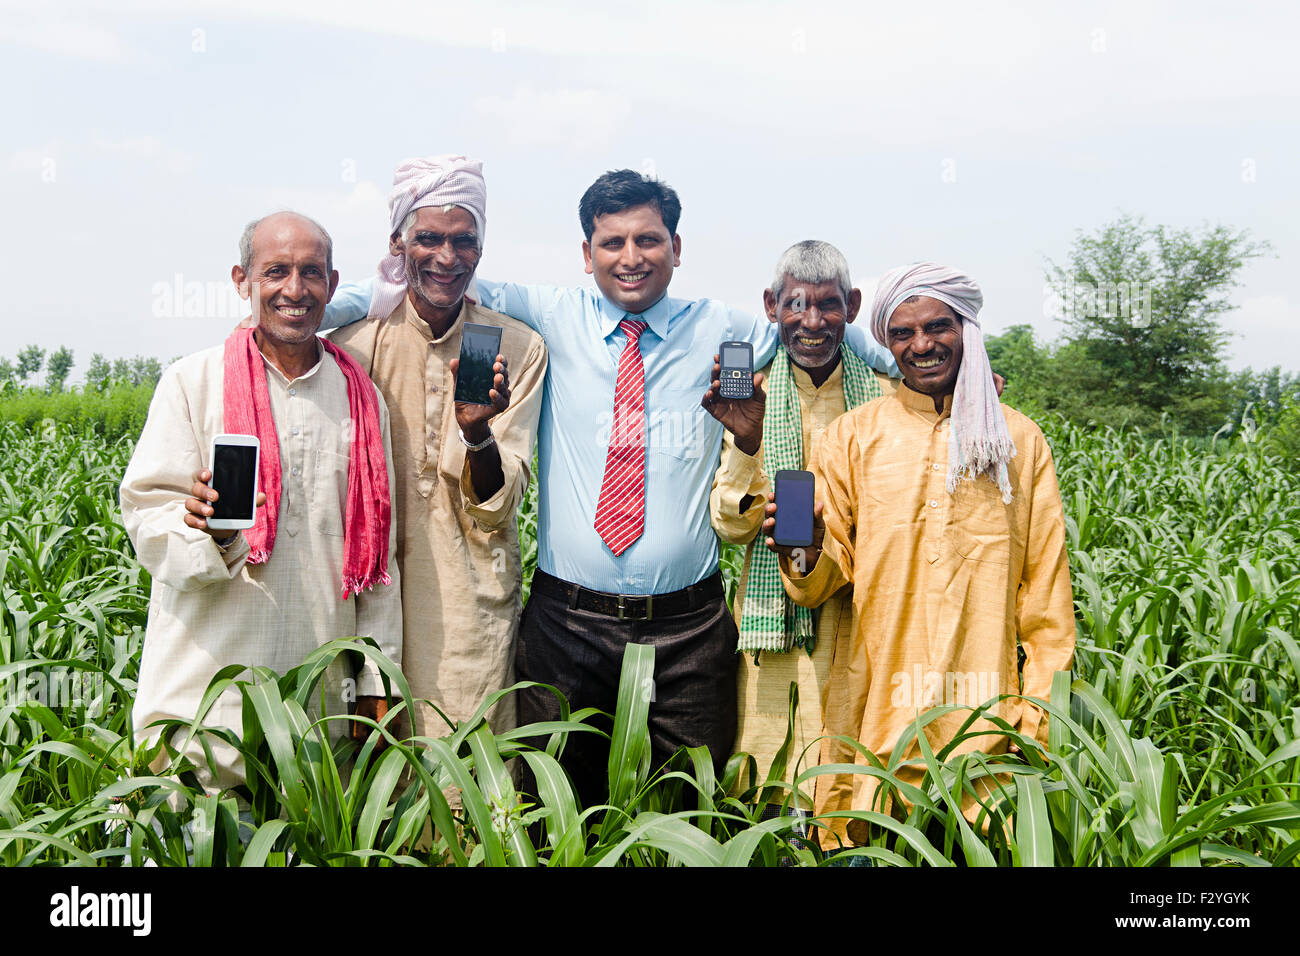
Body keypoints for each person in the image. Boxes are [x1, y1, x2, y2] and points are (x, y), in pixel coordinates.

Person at [321, 169, 897, 808]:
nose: (631, 258)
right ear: (586, 255)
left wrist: (926, 370)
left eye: (648, 240)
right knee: (557, 815)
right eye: (612, 243)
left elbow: (819, 324)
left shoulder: (725, 329)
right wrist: (315, 311)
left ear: (676, 249)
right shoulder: (548, 315)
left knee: (693, 814)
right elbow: (421, 278)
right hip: (568, 628)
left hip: (689, 631)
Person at [770, 261, 1075, 848]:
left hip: (989, 723)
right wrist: (803, 545)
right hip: (877, 713)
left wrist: (1035, 721)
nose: (922, 345)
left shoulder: (1017, 441)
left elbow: (1047, 602)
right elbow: (820, 581)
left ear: (968, 331)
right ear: (887, 340)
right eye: (903, 333)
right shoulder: (853, 436)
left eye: (938, 327)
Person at [120, 211, 402, 795]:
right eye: (275, 272)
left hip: (317, 716)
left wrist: (377, 686)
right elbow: (149, 522)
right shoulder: (192, 383)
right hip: (201, 710)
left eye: (311, 273)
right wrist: (210, 533)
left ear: (331, 281)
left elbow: (379, 562)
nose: (294, 290)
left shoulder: (361, 398)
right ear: (241, 279)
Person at [326, 155, 546, 744]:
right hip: (367, 602)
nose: (448, 258)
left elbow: (497, 507)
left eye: (464, 241)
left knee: (464, 782)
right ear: (398, 242)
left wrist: (476, 433)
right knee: (370, 782)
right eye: (429, 239)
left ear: (481, 247)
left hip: (470, 607)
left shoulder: (518, 348)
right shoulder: (353, 347)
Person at [703, 240, 894, 817]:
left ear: (853, 307)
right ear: (770, 306)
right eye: (796, 305)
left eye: (828, 305)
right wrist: (749, 440)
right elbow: (729, 526)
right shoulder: (751, 393)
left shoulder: (885, 399)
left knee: (851, 785)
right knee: (768, 788)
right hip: (771, 629)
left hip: (859, 616)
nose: (812, 323)